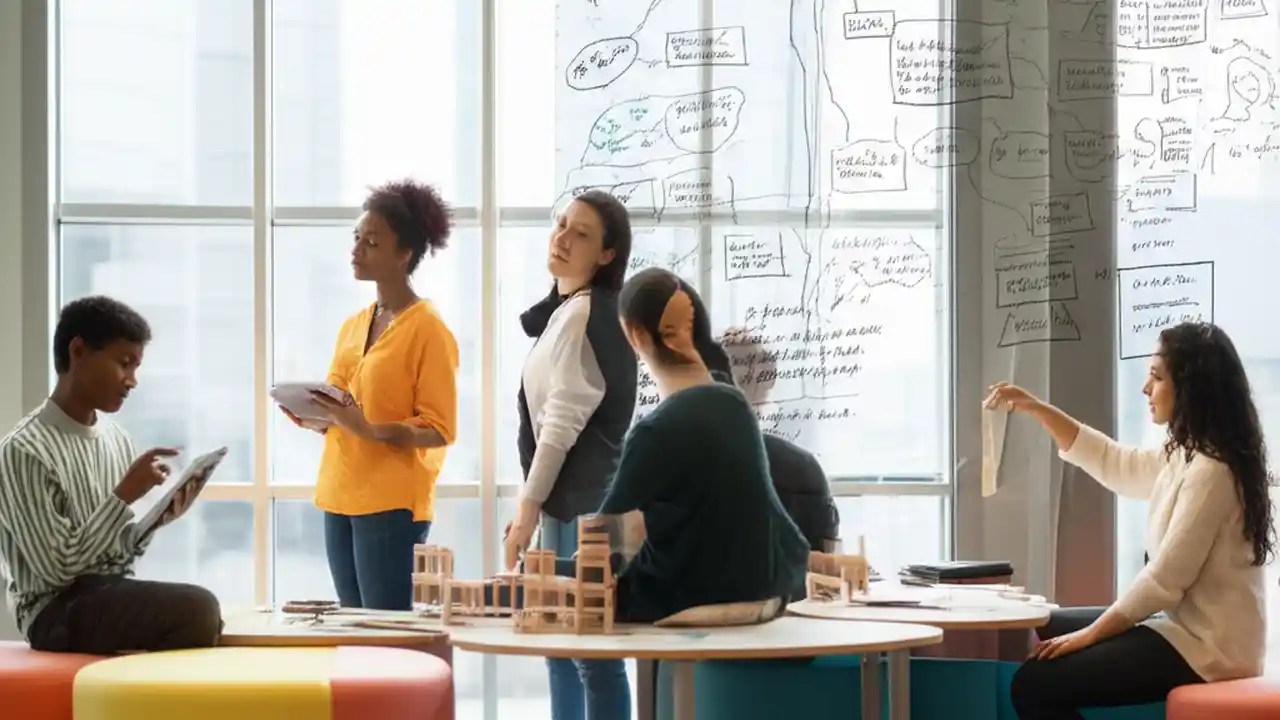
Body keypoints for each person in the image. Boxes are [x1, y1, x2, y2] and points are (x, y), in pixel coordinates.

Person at [987, 322, 1270, 719]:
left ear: (1189, 389)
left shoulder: (1213, 472)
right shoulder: (1187, 454)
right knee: (1048, 623)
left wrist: (1090, 635)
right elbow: (1116, 463)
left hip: (1209, 650)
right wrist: (1036, 408)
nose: (1145, 389)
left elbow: (1164, 581)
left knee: (1033, 683)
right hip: (1182, 630)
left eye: (1156, 377)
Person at [0, 296, 222, 654]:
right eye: (124, 363)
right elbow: (57, 571)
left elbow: (118, 556)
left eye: (136, 367)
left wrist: (157, 520)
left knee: (205, 613)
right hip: (52, 611)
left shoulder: (116, 439)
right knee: (198, 610)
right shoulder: (24, 451)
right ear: (79, 351)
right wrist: (122, 497)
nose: (132, 380)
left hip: (103, 591)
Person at [285, 179, 459, 611]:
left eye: (373, 242)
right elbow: (338, 401)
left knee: (385, 631)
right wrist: (314, 416)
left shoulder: (429, 329)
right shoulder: (353, 324)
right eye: (357, 238)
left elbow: (439, 429)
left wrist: (371, 429)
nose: (357, 249)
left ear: (404, 255)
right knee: (352, 628)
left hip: (390, 501)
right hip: (339, 491)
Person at [600, 267, 810, 624]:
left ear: (636, 336)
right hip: (764, 592)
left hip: (688, 596)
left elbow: (605, 541)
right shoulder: (735, 404)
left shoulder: (654, 430)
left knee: (577, 589)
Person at [504, 190, 637, 720]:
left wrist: (525, 510)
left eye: (581, 232)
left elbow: (560, 425)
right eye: (561, 225)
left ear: (607, 255)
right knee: (563, 645)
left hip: (586, 508)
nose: (562, 237)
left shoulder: (587, 313)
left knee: (589, 650)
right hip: (572, 504)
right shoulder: (571, 311)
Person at [702, 326, 840, 574]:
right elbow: (825, 569)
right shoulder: (803, 469)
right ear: (769, 381)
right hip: (793, 609)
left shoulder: (673, 464)